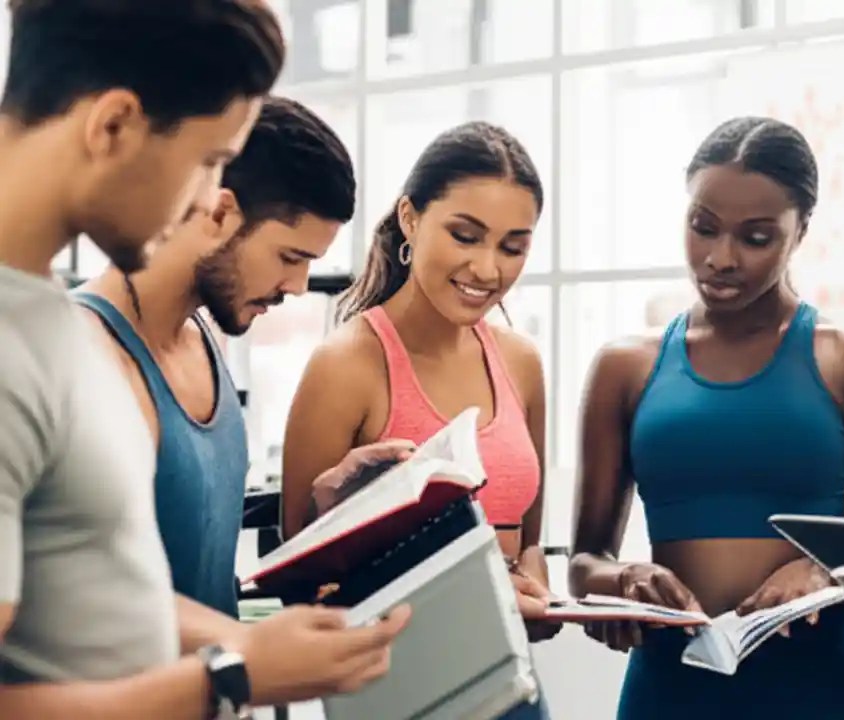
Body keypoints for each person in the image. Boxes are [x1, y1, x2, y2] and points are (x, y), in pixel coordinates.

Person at [0, 1, 409, 717]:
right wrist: (230, 677)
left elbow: (98, 586)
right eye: (209, 160)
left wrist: (255, 647)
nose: (209, 200)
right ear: (115, 125)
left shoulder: (43, 327)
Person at [568, 116, 844, 719]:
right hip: (671, 685)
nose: (720, 259)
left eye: (756, 237)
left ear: (801, 231)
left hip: (823, 685)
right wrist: (624, 581)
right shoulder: (623, 367)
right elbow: (585, 563)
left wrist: (822, 568)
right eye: (702, 228)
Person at [72, 94, 413, 621]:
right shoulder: (86, 355)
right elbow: (77, 611)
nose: (299, 286)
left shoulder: (206, 343)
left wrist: (329, 507)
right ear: (222, 211)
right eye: (289, 257)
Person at [280, 121, 561, 718]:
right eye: (466, 236)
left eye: (513, 246)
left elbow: (530, 543)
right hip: (398, 687)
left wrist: (534, 584)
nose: (488, 269)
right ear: (410, 219)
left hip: (510, 684)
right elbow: (300, 573)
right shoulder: (346, 365)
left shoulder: (521, 362)